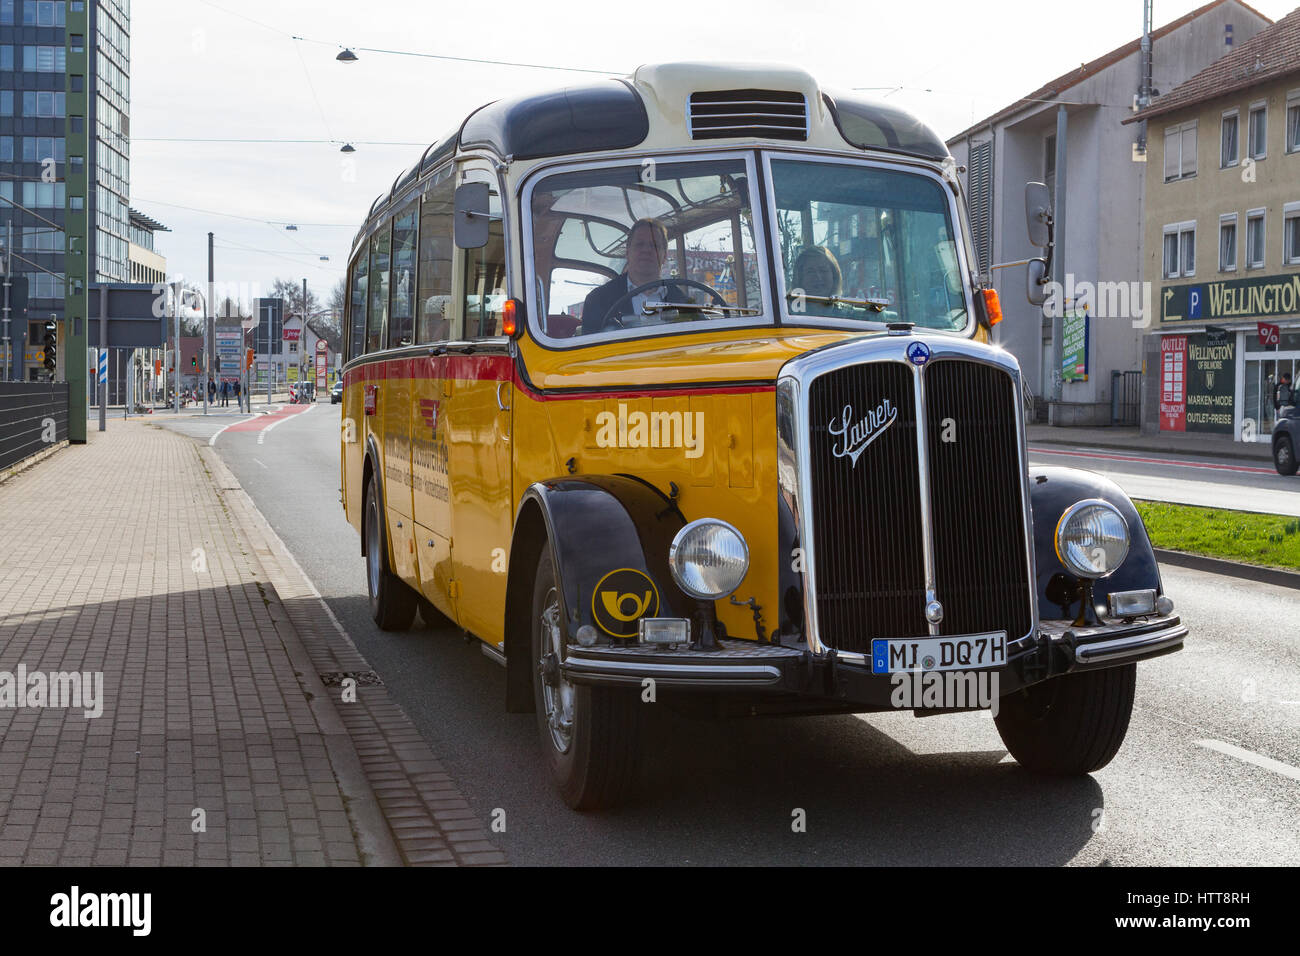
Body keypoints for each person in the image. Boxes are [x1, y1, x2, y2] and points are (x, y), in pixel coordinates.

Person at [581, 218, 690, 335]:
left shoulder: (682, 302)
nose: (647, 250)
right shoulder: (598, 300)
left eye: (654, 245)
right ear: (627, 252)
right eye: (639, 244)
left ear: (664, 256)